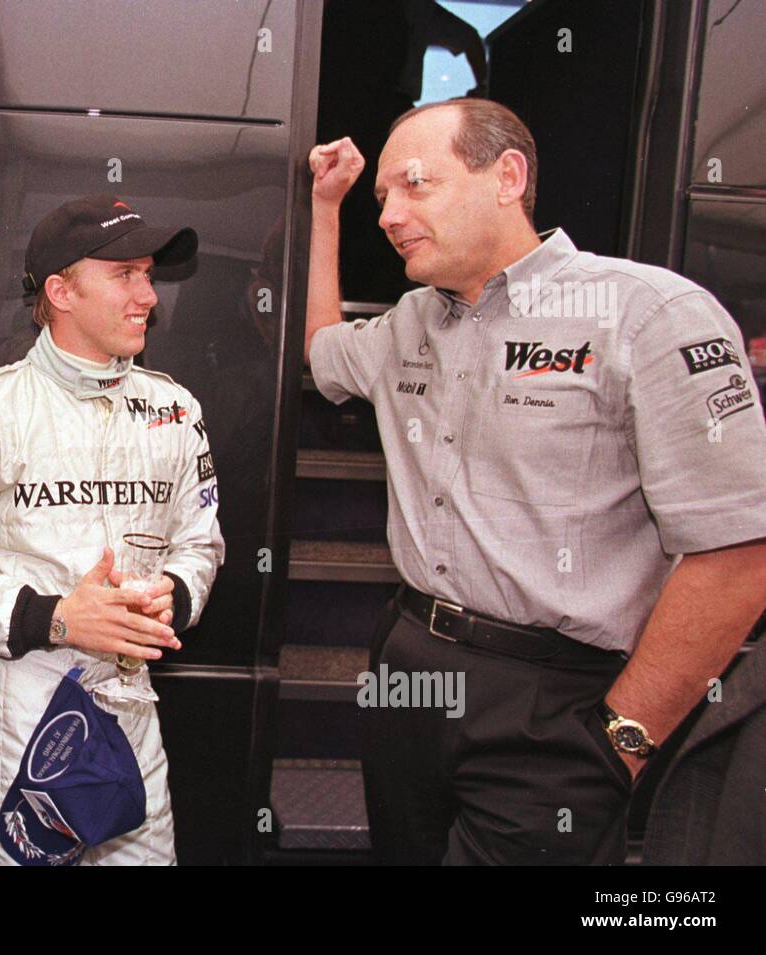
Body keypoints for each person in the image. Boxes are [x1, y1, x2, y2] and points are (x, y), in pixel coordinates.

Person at [304, 98, 766, 864]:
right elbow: (321, 350)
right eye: (383, 196)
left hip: (557, 701)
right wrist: (327, 208)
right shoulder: (409, 323)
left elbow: (739, 552)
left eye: (415, 185)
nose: (389, 213)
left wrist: (623, 738)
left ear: (506, 177)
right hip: (411, 670)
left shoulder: (647, 314)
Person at [0, 195, 224, 865]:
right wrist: (56, 617)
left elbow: (201, 540)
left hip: (133, 725)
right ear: (60, 289)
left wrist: (174, 593)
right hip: (21, 729)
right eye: (125, 274)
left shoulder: (175, 408)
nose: (148, 296)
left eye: (148, 274)